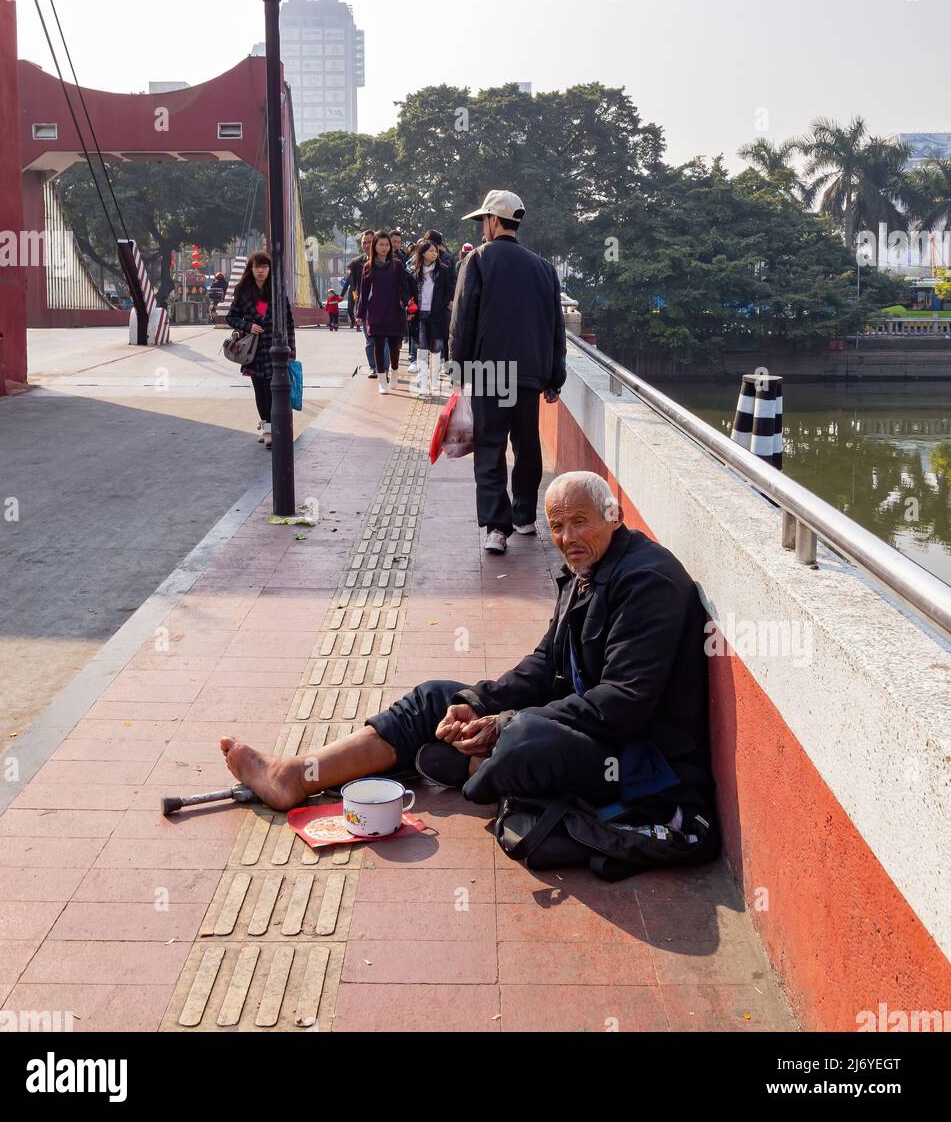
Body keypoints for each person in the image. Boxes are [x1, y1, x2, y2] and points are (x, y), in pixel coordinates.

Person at [217, 471, 720, 878]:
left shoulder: (647, 582)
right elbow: (545, 665)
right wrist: (478, 703)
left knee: (524, 737)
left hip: (641, 763)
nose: (567, 538)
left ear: (614, 516)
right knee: (438, 697)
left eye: (580, 523)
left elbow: (624, 704)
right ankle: (294, 776)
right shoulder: (587, 571)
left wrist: (505, 723)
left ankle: (479, 765)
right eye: (557, 526)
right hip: (586, 728)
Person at [449, 190, 566, 553]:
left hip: (489, 370)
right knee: (527, 444)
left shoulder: (479, 260)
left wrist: (458, 366)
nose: (483, 228)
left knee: (491, 446)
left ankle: (497, 529)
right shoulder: (544, 268)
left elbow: (463, 317)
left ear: (493, 221)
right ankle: (525, 516)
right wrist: (554, 377)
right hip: (529, 373)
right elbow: (556, 326)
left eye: (484, 220)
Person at [226, 250, 297, 448]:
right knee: (261, 390)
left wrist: (291, 350)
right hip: (254, 350)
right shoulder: (243, 292)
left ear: (269, 269)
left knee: (274, 390)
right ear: (251, 268)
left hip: (275, 347)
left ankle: (274, 428)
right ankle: (267, 429)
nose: (260, 270)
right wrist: (247, 326)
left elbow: (289, 322)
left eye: (264, 266)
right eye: (256, 266)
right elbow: (230, 317)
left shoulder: (277, 291)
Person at [356, 230, 415, 396]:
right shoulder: (368, 267)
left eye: (386, 244)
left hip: (395, 311)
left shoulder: (397, 265)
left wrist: (407, 305)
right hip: (376, 311)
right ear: (374, 247)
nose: (384, 247)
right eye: (380, 244)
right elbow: (363, 291)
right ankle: (382, 381)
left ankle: (394, 371)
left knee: (395, 346)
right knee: (379, 345)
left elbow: (404, 287)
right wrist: (360, 313)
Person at [407, 239, 455, 395]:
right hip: (420, 315)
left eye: (436, 251)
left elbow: (450, 288)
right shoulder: (414, 272)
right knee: (421, 348)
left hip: (436, 314)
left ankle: (434, 381)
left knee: (435, 348)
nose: (435, 253)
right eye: (431, 251)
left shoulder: (444, 271)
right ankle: (422, 383)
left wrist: (445, 303)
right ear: (422, 253)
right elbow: (409, 292)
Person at [344, 230, 387, 376]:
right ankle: (374, 367)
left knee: (384, 340)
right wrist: (357, 308)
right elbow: (355, 287)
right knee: (370, 340)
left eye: (370, 242)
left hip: (384, 307)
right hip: (366, 308)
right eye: (364, 242)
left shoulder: (388, 261)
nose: (367, 245)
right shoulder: (357, 263)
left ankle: (384, 369)